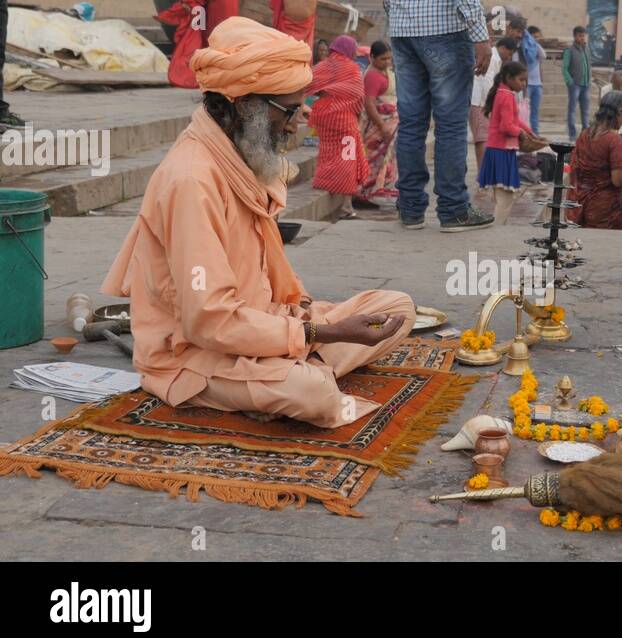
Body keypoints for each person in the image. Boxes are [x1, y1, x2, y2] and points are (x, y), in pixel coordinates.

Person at [100, 17, 415, 429]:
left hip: (266, 322)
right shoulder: (192, 180)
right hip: (196, 350)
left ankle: (285, 368)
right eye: (289, 109)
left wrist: (304, 323)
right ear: (246, 105)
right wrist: (319, 334)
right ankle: (293, 373)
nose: (298, 121)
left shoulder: (241, 152)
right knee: (315, 395)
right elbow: (209, 320)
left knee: (398, 309)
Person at [385, 0, 494, 232]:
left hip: (402, 31)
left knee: (411, 124)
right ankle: (453, 210)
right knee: (450, 126)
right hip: (445, 30)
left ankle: (410, 208)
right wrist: (480, 35)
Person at [307, 36, 368, 221]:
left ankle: (329, 187)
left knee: (328, 154)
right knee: (347, 158)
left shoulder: (323, 66)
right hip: (345, 120)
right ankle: (346, 207)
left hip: (324, 117)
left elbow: (309, 84)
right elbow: (358, 96)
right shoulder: (352, 68)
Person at [567, 91, 622, 230]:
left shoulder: (585, 134)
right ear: (618, 114)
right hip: (604, 207)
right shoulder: (613, 139)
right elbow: (618, 179)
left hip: (581, 202)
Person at [478, 62, 535, 224]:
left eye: (525, 81)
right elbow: (506, 126)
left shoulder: (504, 92)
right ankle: (496, 229)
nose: (523, 84)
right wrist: (521, 133)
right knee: (506, 197)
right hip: (501, 150)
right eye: (521, 80)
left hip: (498, 149)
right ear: (509, 78)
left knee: (501, 195)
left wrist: (530, 132)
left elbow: (515, 120)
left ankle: (497, 226)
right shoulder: (506, 95)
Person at [357, 40, 399, 206]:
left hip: (388, 122)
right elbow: (369, 104)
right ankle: (362, 194)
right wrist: (382, 125)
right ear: (372, 57)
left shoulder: (385, 72)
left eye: (389, 59)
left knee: (381, 160)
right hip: (377, 125)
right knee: (371, 159)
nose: (387, 62)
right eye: (383, 59)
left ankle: (370, 192)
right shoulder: (373, 76)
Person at [471, 37, 518, 172]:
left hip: (483, 102)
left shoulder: (497, 60)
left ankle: (484, 170)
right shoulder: (492, 58)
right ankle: (482, 172)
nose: (508, 58)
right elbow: (486, 83)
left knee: (484, 137)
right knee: (482, 139)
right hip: (479, 102)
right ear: (503, 48)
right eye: (509, 54)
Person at [563, 26, 592, 140]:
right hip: (575, 85)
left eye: (583, 36)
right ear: (575, 36)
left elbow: (588, 65)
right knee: (572, 110)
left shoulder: (587, 49)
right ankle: (572, 135)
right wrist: (570, 82)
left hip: (586, 84)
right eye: (580, 36)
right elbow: (564, 69)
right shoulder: (569, 51)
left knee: (585, 111)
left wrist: (589, 80)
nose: (582, 38)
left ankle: (585, 134)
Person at [600, 70, 622, 153]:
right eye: (616, 85)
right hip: (608, 127)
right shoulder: (605, 89)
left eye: (621, 85)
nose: (619, 87)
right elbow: (603, 108)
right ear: (612, 82)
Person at [526, 26, 546, 135]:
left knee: (535, 111)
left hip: (537, 84)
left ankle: (535, 133)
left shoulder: (536, 48)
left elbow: (544, 55)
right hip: (527, 84)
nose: (536, 39)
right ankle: (525, 132)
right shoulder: (525, 49)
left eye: (538, 37)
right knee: (525, 110)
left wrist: (535, 44)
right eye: (534, 37)